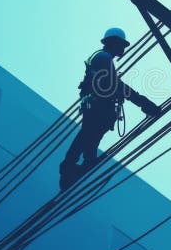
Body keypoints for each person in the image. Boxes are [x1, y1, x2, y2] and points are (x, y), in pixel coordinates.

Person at [59, 27, 161, 190]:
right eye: (122, 45)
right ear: (113, 43)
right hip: (97, 105)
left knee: (92, 132)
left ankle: (81, 162)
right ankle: (70, 165)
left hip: (99, 106)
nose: (124, 49)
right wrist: (144, 104)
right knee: (88, 133)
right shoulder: (103, 57)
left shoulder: (104, 59)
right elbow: (116, 85)